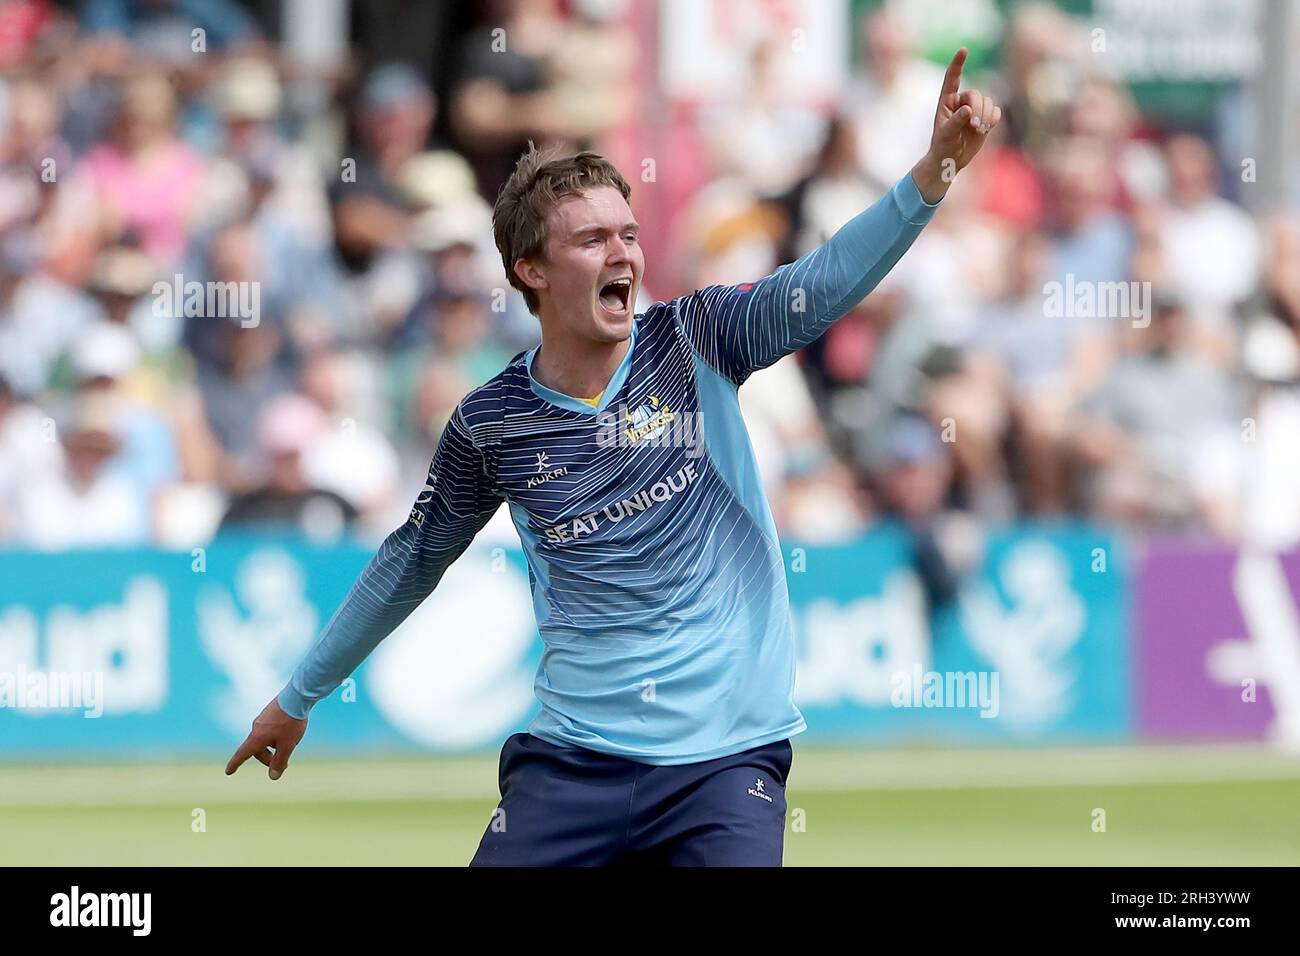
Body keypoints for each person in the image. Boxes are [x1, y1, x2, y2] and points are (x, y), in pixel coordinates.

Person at [226, 49, 1002, 867]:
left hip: (723, 766)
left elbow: (827, 279)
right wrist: (297, 696)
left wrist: (935, 170)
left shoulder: (698, 337)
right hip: (570, 769)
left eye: (628, 234)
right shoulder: (493, 423)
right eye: (592, 240)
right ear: (531, 270)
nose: (623, 255)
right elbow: (410, 560)